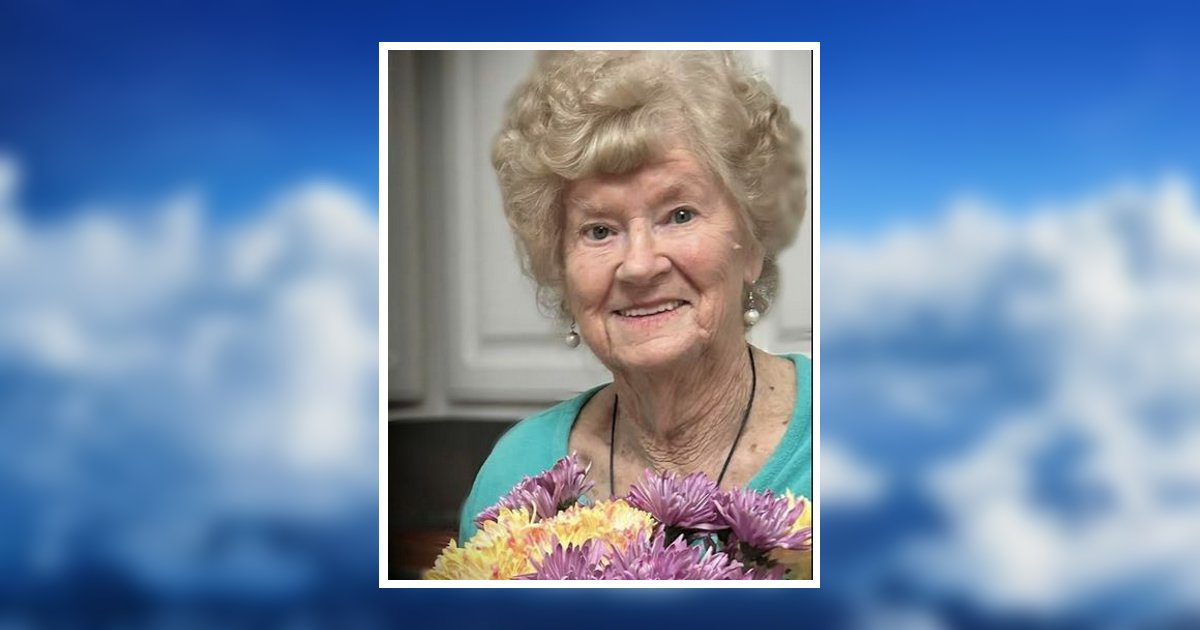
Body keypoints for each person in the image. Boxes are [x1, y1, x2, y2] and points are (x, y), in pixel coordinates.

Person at [459, 51, 811, 544]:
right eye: (599, 230)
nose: (640, 265)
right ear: (561, 270)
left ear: (752, 245)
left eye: (680, 215)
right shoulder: (516, 477)